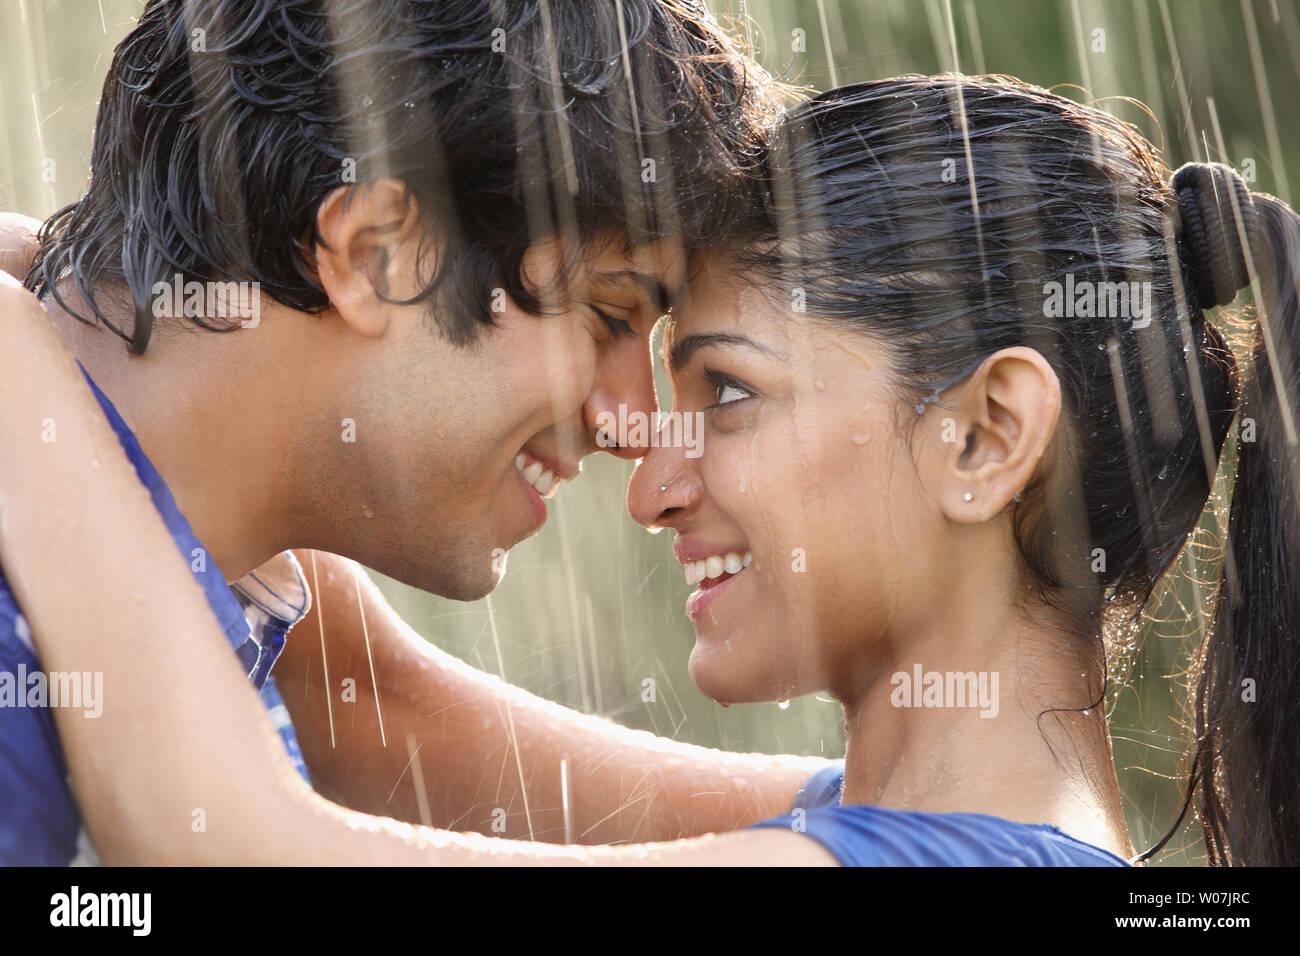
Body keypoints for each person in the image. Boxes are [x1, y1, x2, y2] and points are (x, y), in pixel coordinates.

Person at [13, 73, 1297, 865]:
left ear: (982, 435)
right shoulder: (962, 823)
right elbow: (377, 708)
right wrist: (74, 290)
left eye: (727, 392)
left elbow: (237, 840)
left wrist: (20, 364)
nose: (649, 482)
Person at [0, 0, 835, 866]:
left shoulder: (170, 507)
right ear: (375, 257)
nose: (633, 428)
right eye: (609, 314)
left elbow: (372, 714)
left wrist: (879, 809)